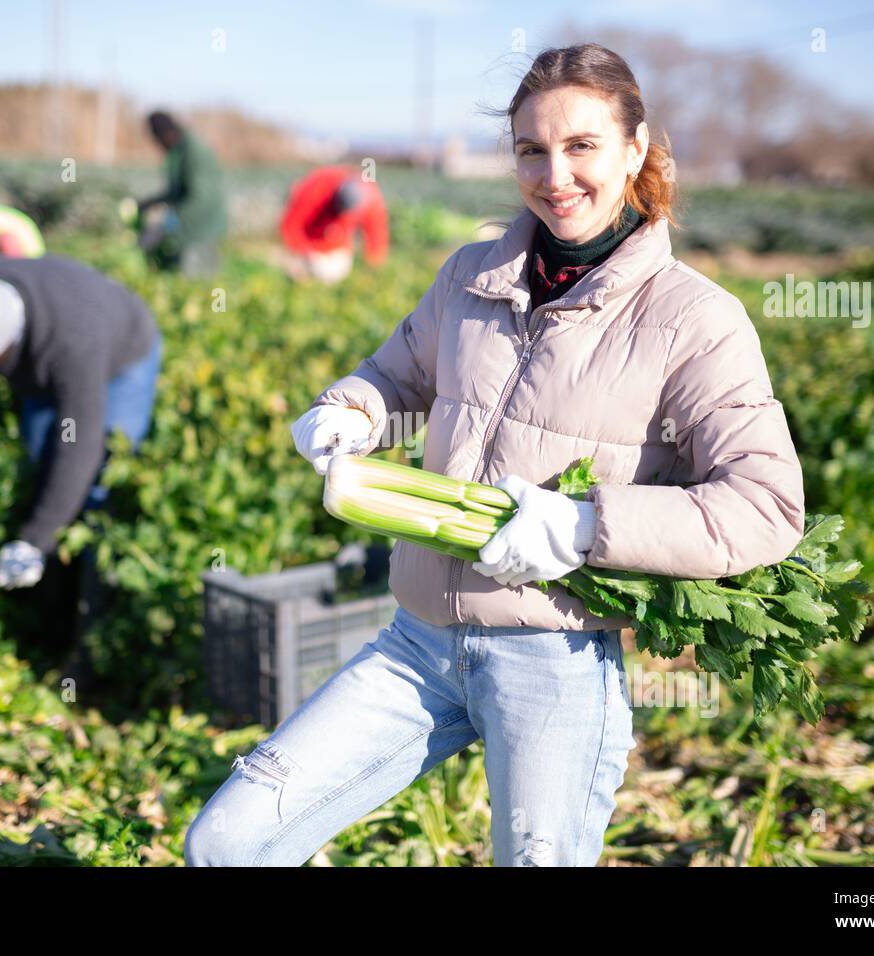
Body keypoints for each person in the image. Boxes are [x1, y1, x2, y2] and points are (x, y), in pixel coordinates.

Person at [186, 43, 806, 867]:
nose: (556, 176)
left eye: (581, 146)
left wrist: (583, 527)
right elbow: (397, 374)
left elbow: (765, 507)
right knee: (229, 839)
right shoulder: (473, 275)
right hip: (417, 640)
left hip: (555, 656)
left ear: (635, 146)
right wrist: (353, 410)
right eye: (532, 150)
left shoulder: (696, 320)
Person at [0, 254, 162, 601]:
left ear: (13, 340)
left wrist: (35, 540)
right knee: (39, 453)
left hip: (124, 357)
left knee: (98, 477)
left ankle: (91, 605)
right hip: (52, 355)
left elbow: (79, 443)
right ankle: (45, 596)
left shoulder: (76, 338)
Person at [134, 111, 228, 277]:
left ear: (165, 134)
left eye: (158, 140)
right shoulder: (179, 150)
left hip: (202, 230)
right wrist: (147, 203)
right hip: (188, 229)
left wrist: (167, 226)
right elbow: (176, 192)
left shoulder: (195, 151)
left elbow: (201, 199)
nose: (159, 146)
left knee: (197, 282)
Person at [279, 165, 388, 284]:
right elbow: (292, 223)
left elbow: (376, 232)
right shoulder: (316, 187)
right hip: (311, 242)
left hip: (338, 247)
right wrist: (297, 253)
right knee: (306, 273)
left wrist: (374, 264)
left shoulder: (371, 198)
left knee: (333, 272)